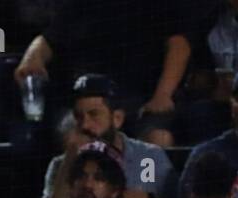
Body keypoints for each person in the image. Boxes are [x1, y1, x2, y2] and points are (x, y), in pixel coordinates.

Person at [14, 1, 193, 147]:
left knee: (157, 139)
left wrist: (163, 95)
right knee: (74, 138)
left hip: (143, 101)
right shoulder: (80, 6)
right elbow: (48, 39)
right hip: (87, 98)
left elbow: (179, 46)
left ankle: (145, 189)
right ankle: (83, 190)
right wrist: (32, 58)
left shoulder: (163, 6)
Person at [40, 74, 175, 198]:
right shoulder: (62, 164)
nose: (85, 125)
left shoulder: (147, 158)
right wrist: (70, 162)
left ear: (117, 119)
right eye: (79, 117)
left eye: (94, 115)